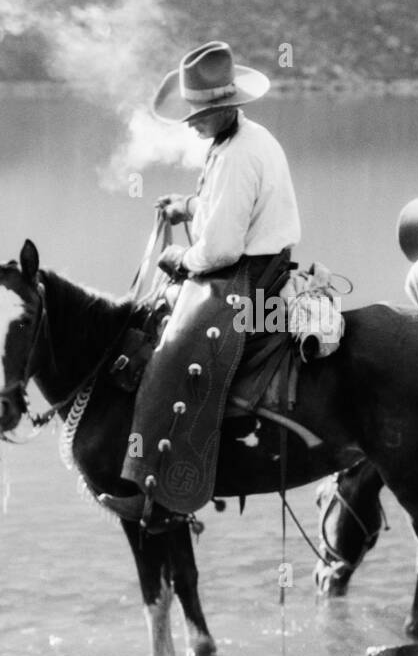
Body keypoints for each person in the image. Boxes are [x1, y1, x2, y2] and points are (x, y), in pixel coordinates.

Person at [121, 41, 301, 530]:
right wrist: (189, 206)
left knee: (171, 354)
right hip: (252, 265)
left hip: (245, 276)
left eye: (198, 114)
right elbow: (223, 210)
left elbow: (220, 250)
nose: (192, 123)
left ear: (223, 109)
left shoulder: (240, 154)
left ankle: (167, 494)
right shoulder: (236, 141)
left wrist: (180, 255)